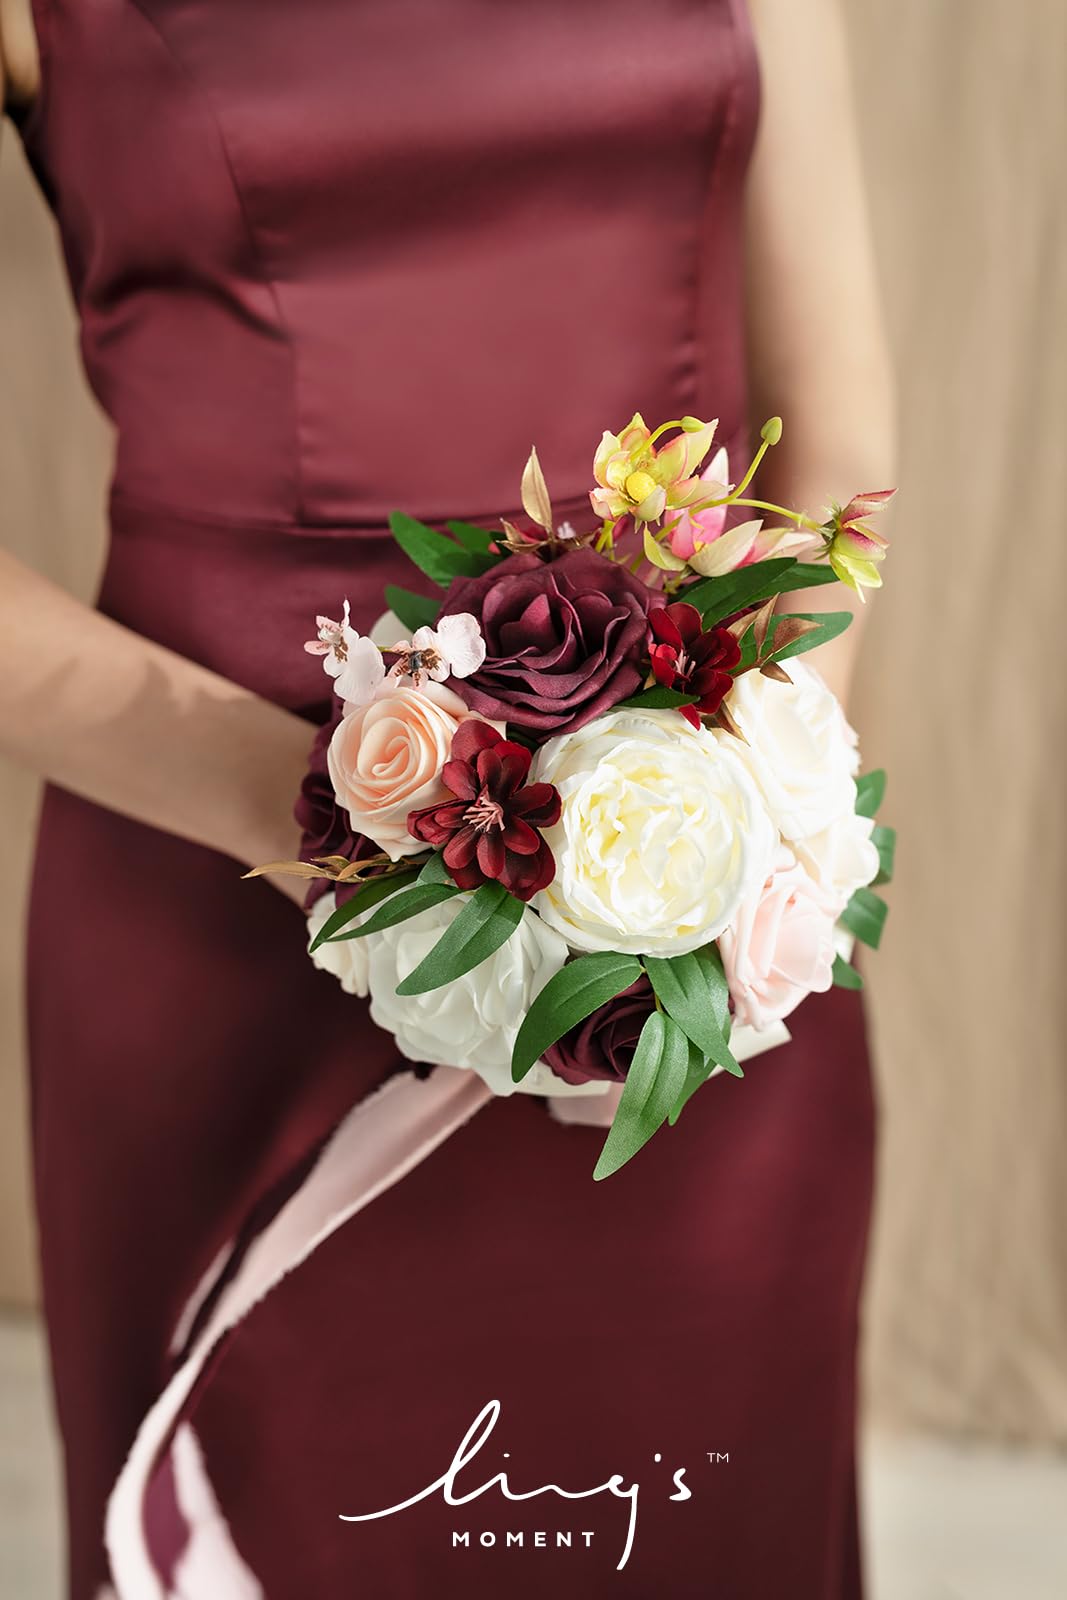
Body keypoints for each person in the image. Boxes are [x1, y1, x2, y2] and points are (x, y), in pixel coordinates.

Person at [0, 0, 894, 1594]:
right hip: (223, 916)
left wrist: (734, 838)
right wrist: (381, 835)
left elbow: (838, 448)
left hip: (690, 924)